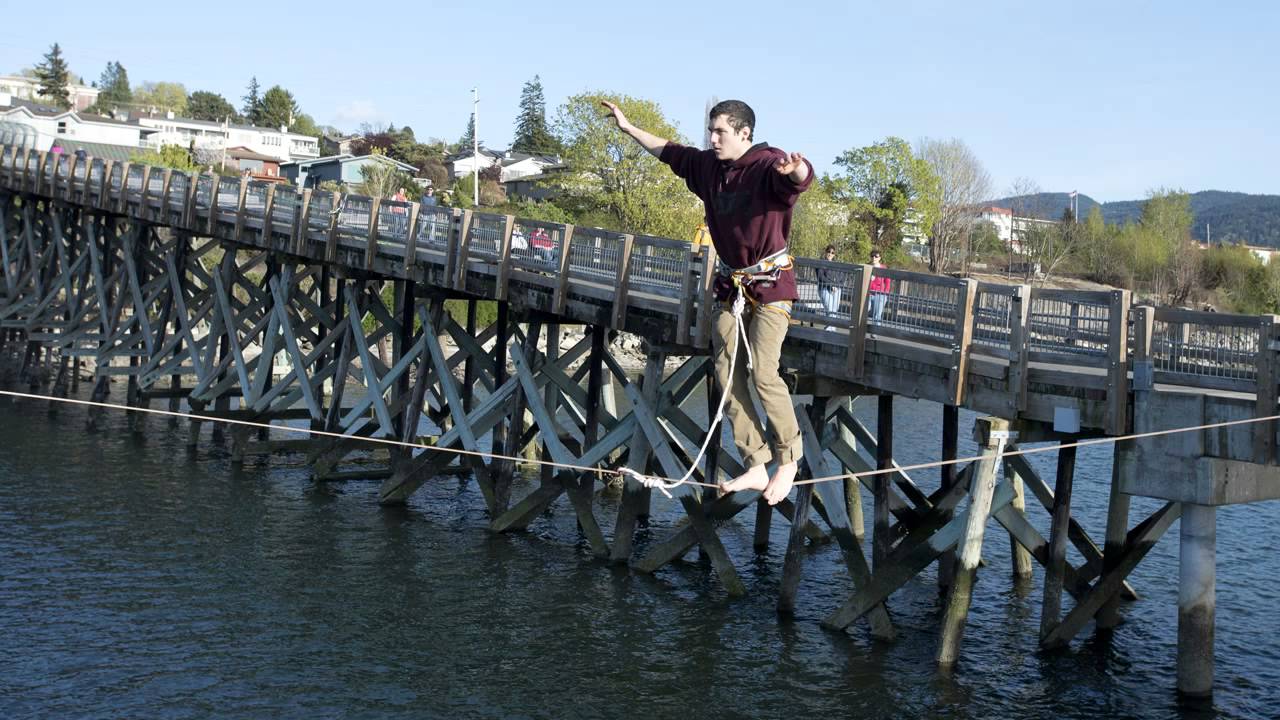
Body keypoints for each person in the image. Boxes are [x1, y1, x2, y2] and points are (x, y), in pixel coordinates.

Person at [604, 98, 812, 506]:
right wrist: (629, 129)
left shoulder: (767, 164)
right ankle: (756, 462)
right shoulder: (708, 167)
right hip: (730, 287)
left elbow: (798, 180)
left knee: (763, 371)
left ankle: (789, 459)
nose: (713, 139)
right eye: (710, 131)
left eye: (721, 132)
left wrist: (798, 170)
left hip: (770, 286)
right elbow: (669, 151)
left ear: (744, 133)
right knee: (725, 372)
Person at [816, 244, 842, 327]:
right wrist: (831, 285)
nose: (830, 254)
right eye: (829, 251)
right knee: (830, 310)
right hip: (824, 288)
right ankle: (830, 329)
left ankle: (830, 328)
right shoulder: (820, 263)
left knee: (834, 311)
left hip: (836, 289)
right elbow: (820, 277)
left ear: (834, 254)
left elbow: (841, 276)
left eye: (832, 252)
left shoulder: (836, 264)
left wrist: (836, 286)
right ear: (825, 252)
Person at [868, 250, 891, 321]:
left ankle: (875, 327)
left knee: (877, 316)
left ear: (879, 258)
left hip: (879, 294)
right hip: (868, 293)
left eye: (876, 256)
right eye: (872, 256)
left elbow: (887, 282)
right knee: (864, 312)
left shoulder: (883, 268)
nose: (874, 258)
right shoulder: (867, 266)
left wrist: (885, 293)